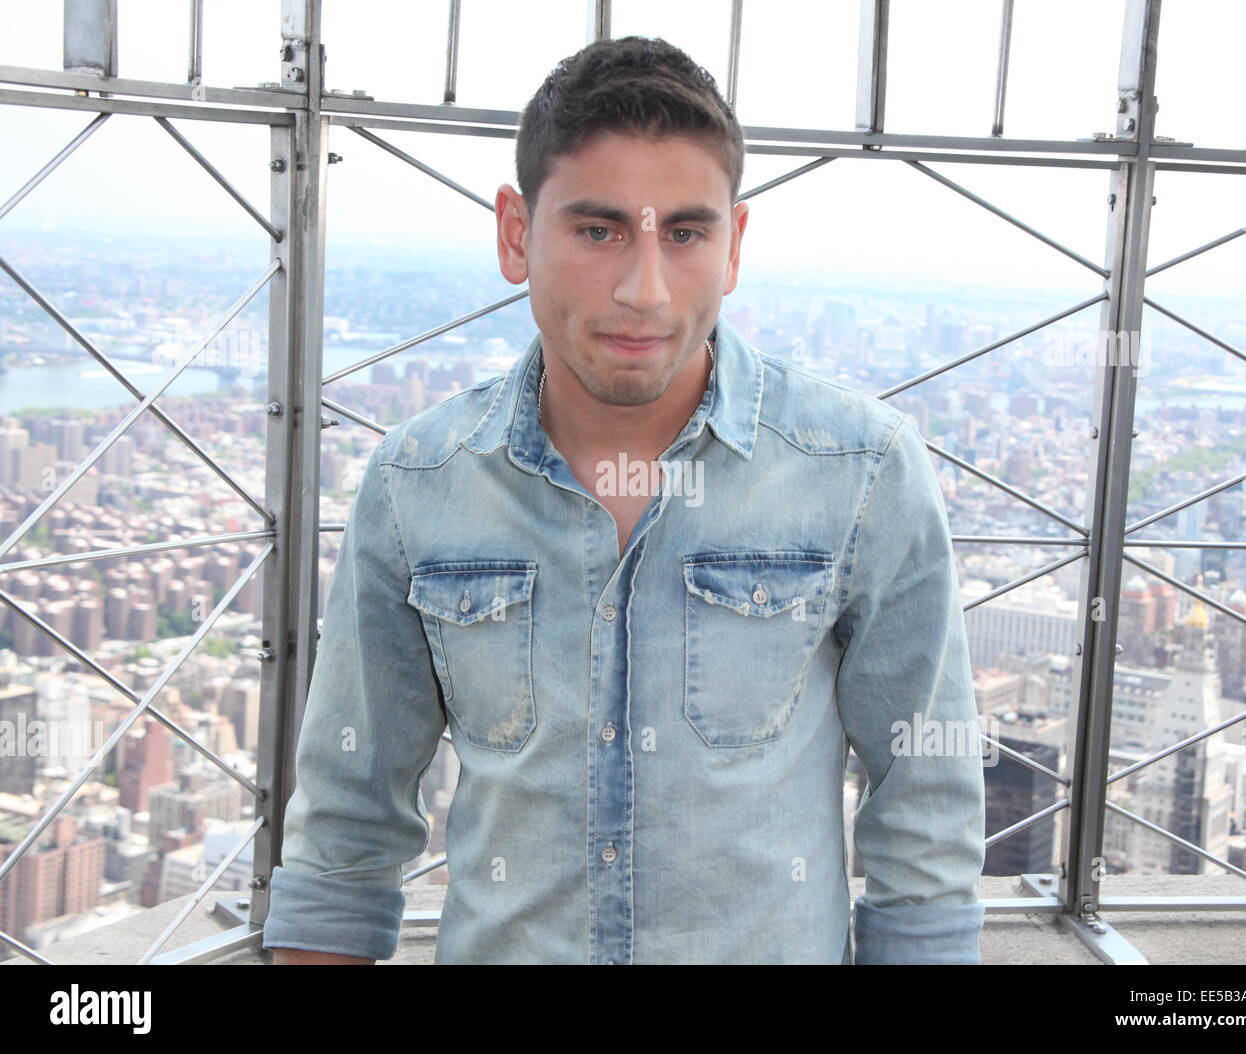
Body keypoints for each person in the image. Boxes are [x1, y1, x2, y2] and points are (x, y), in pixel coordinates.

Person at [263, 34, 986, 965]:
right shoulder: (418, 483)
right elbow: (349, 819)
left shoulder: (863, 470)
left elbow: (925, 807)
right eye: (599, 230)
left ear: (734, 247)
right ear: (516, 234)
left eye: (685, 232)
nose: (645, 289)